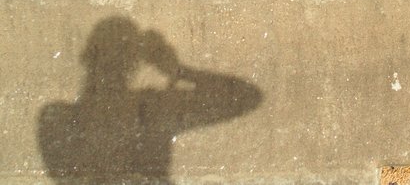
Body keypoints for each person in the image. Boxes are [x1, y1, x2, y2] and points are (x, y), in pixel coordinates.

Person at [37, 16, 262, 183]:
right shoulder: (153, 109)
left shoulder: (152, 108)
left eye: (122, 54)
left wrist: (178, 71)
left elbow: (246, 97)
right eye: (110, 53)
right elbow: (246, 97)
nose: (114, 64)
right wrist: (178, 71)